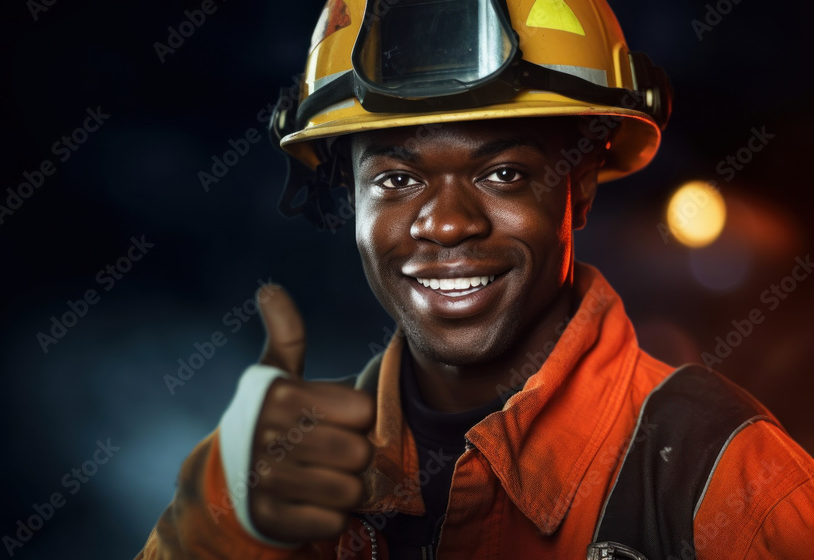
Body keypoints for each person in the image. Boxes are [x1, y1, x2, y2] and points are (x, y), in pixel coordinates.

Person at [135, 1, 814, 558]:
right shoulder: (269, 474)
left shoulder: (731, 477)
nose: (447, 224)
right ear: (350, 197)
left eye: (503, 174)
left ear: (578, 186)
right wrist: (224, 534)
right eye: (396, 179)